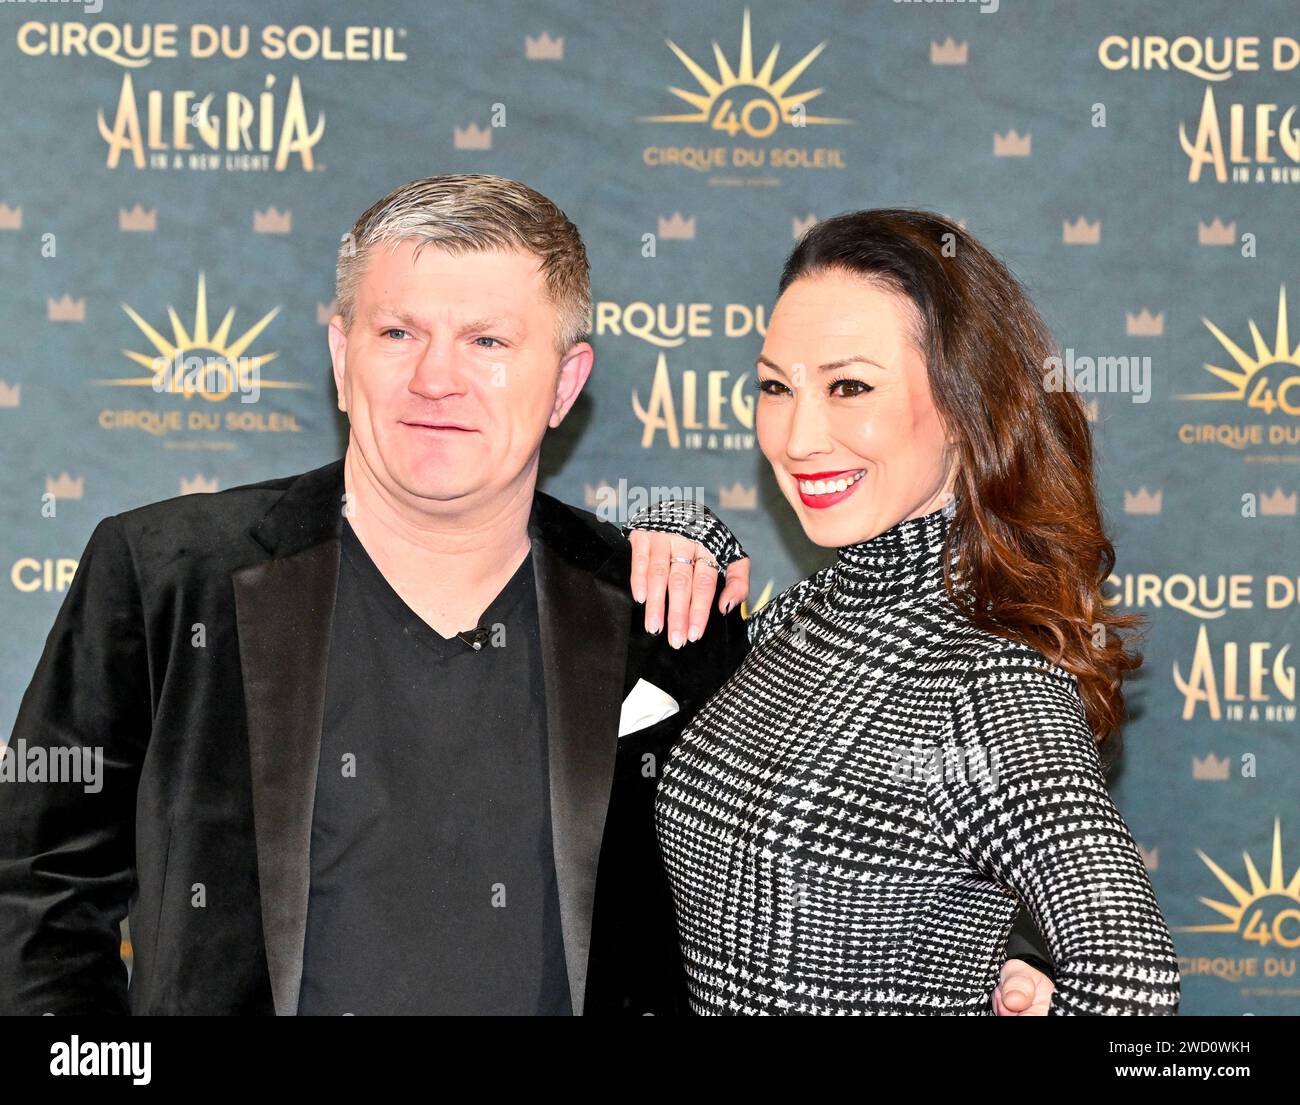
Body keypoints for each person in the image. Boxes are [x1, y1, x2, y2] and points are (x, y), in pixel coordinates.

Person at [0, 177, 1051, 1015]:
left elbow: (851, 826)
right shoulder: (164, 572)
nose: (435, 380)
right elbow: (39, 883)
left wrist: (1008, 956)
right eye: (397, 332)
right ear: (338, 353)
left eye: (489, 343)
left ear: (563, 381)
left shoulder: (661, 615)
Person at [628, 209, 1181, 1015]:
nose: (799, 436)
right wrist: (672, 541)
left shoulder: (991, 683)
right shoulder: (807, 613)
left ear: (965, 404)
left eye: (850, 386)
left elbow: (1131, 981)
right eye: (777, 386)